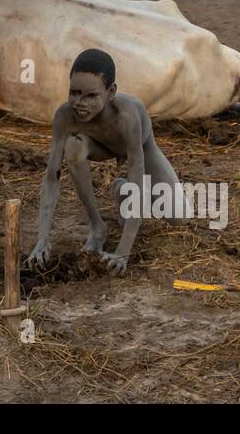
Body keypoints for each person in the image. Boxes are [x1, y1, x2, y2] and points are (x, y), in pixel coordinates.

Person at [26, 48, 181, 275]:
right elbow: (52, 177)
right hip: (97, 145)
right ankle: (97, 227)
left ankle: (122, 191)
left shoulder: (126, 116)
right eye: (74, 92)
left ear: (111, 92)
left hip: (140, 149)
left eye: (91, 96)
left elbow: (136, 174)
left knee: (179, 217)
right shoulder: (65, 117)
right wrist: (42, 239)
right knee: (73, 147)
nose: (80, 102)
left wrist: (123, 251)